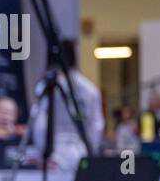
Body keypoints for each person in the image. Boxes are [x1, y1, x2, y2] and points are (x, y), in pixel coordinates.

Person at [27, 41, 104, 169]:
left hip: (55, 156)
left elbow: (38, 123)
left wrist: (44, 152)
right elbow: (97, 126)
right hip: (82, 154)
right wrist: (89, 151)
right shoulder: (90, 90)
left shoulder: (47, 87)